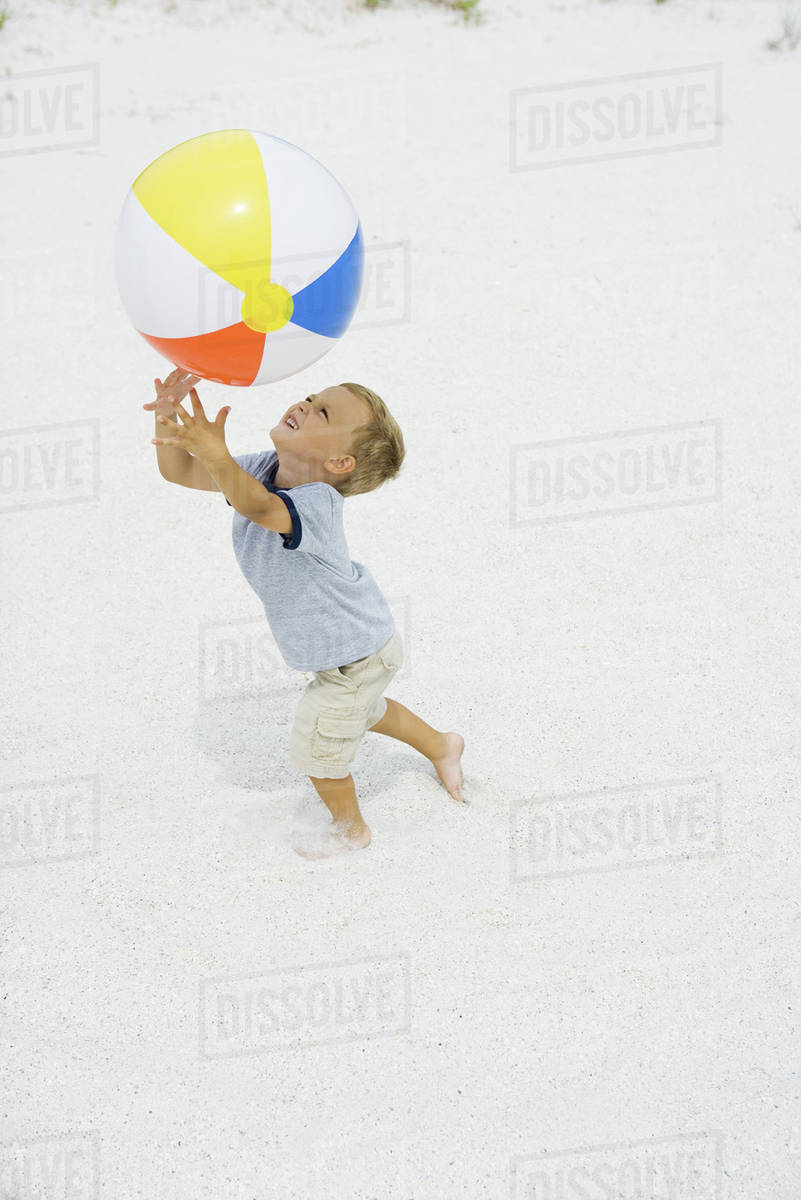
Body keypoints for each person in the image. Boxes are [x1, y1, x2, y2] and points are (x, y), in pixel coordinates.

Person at [145, 367, 465, 857]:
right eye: (311, 397)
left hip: (356, 654)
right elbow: (180, 472)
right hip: (356, 648)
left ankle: (350, 828)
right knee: (368, 711)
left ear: (339, 462)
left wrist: (214, 451)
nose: (304, 405)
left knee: (319, 749)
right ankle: (442, 744)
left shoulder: (318, 503)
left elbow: (261, 509)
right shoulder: (261, 468)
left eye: (323, 412)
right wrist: (169, 419)